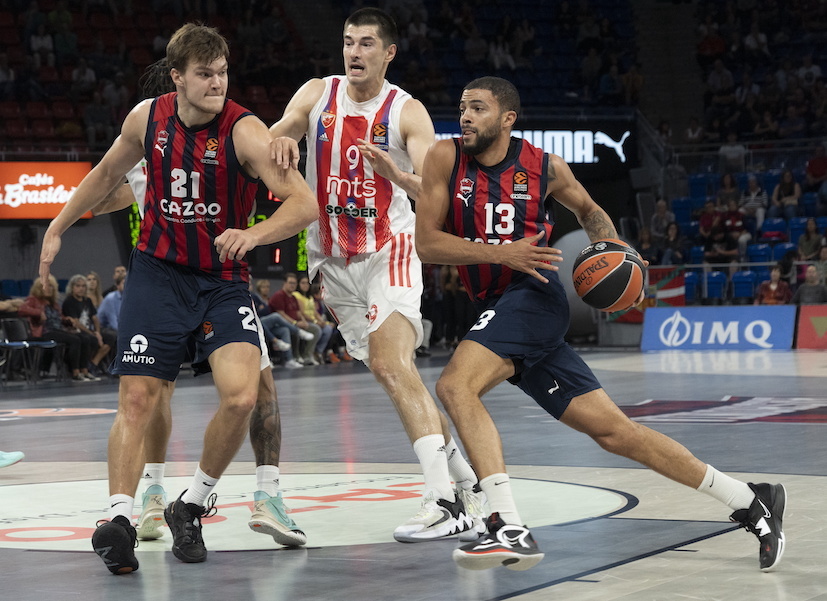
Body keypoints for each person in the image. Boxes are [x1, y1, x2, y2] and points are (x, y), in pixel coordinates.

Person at [415, 76, 786, 572]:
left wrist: (616, 257)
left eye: (477, 108)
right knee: (616, 433)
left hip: (534, 298)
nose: (465, 117)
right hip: (498, 302)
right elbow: (428, 244)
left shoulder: (543, 167)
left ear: (507, 118)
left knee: (456, 385)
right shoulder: (444, 158)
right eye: (463, 107)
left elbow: (591, 212)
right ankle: (749, 499)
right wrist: (501, 252)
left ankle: (506, 526)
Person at [38, 23, 318, 575]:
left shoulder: (245, 132)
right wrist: (58, 225)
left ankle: (189, 504)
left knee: (241, 398)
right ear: (178, 77)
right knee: (139, 400)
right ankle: (119, 519)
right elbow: (104, 174)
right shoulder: (147, 118)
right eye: (205, 74)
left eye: (223, 73)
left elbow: (304, 204)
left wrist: (256, 235)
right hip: (158, 275)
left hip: (220, 280)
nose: (217, 83)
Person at [268, 7, 483, 542]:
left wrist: (394, 172)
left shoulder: (407, 113)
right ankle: (468, 482)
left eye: (366, 43)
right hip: (330, 259)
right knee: (396, 377)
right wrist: (280, 142)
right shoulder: (317, 93)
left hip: (391, 248)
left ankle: (444, 502)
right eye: (348, 42)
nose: (355, 52)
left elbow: (437, 196)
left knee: (392, 363)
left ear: (388, 53)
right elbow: (279, 132)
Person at [18, 275, 92, 381]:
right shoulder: (33, 300)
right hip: (44, 332)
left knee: (84, 338)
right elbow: (22, 309)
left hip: (58, 330)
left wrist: (67, 320)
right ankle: (75, 372)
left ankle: (84, 370)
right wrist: (39, 312)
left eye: (52, 287)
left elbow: (59, 318)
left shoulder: (54, 304)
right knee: (75, 340)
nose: (49, 289)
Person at [61, 273, 110, 378]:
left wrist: (97, 332)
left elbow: (95, 318)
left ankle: (93, 364)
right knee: (88, 339)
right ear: (72, 287)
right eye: (78, 286)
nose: (81, 289)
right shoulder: (69, 301)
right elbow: (76, 322)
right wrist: (92, 333)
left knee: (111, 338)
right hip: (75, 331)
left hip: (90, 331)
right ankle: (82, 369)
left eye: (83, 286)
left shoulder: (87, 300)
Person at [294, 274, 333, 365]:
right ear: (299, 284)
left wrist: (322, 321)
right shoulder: (296, 295)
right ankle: (307, 355)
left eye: (307, 283)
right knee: (317, 329)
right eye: (303, 283)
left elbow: (315, 312)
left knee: (328, 328)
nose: (305, 285)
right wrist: (316, 322)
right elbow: (302, 312)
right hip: (305, 320)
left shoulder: (310, 297)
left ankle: (317, 352)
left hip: (313, 320)